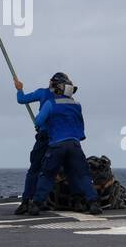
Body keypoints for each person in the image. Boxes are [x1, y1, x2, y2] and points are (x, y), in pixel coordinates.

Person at [26, 72, 102, 216]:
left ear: (57, 88)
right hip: (74, 144)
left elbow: (38, 122)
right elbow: (80, 124)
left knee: (47, 175)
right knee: (82, 174)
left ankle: (36, 204)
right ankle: (93, 203)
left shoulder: (50, 103)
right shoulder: (76, 105)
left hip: (57, 145)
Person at [12, 75, 56, 216]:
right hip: (58, 138)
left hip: (44, 137)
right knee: (51, 171)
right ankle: (41, 201)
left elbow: (22, 100)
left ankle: (26, 202)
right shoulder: (66, 100)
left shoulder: (42, 92)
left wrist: (19, 89)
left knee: (35, 169)